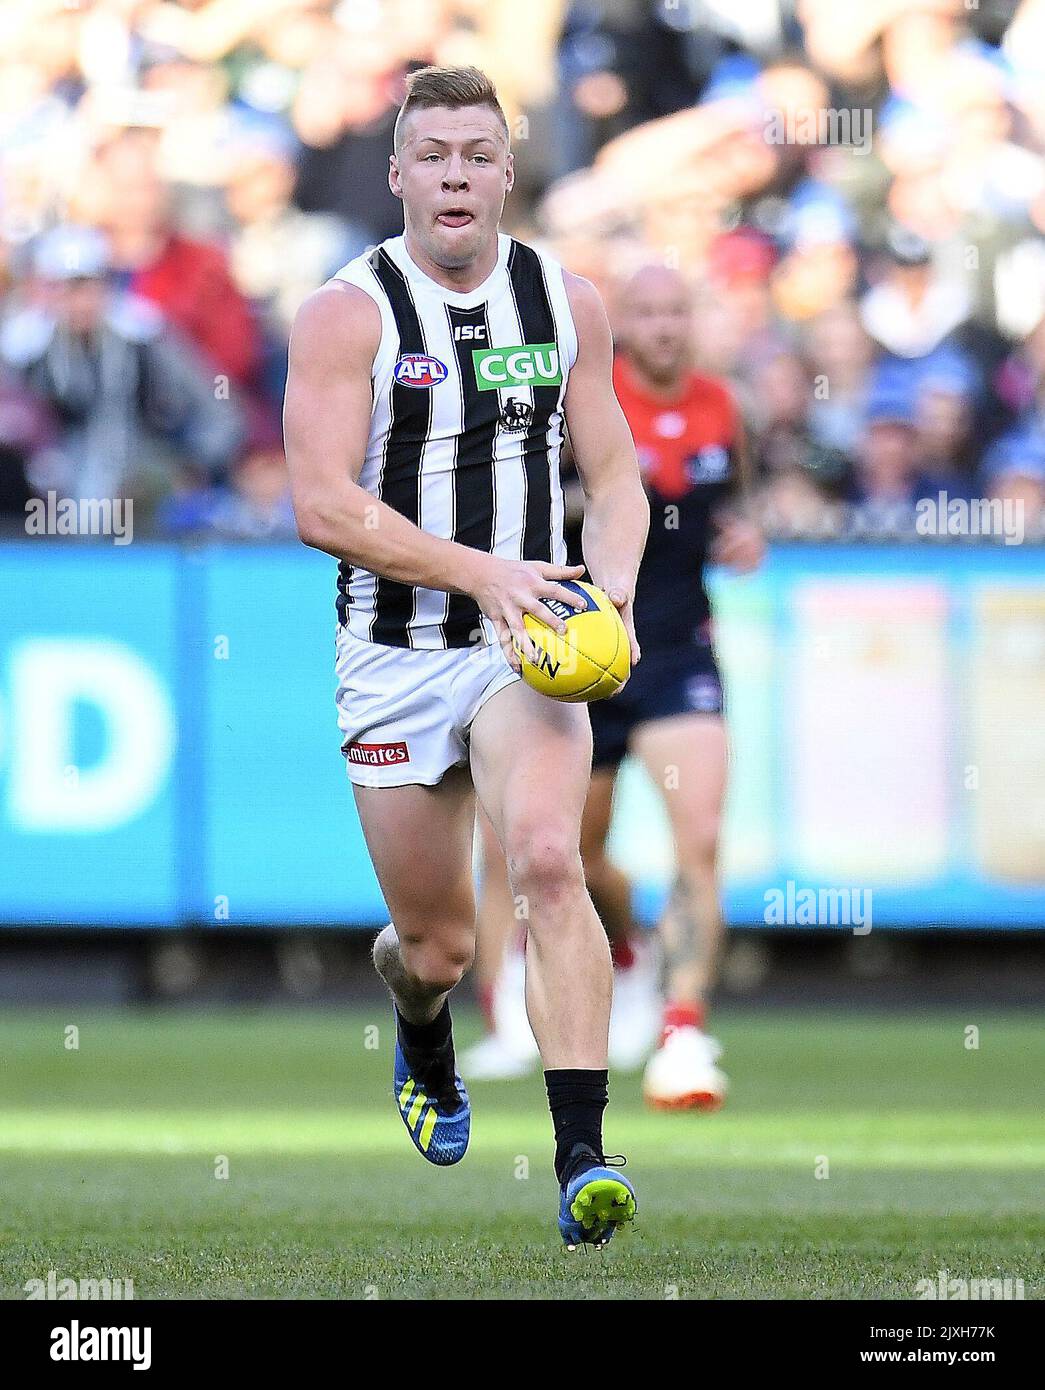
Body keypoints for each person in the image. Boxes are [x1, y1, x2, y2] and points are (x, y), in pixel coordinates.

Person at [283, 65, 649, 1250]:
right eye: (429, 152)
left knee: (550, 859)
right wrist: (484, 571)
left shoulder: (567, 301)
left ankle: (582, 1154)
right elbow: (322, 507)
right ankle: (423, 1025)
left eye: (475, 153)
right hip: (392, 649)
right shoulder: (346, 313)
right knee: (434, 944)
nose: (452, 172)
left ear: (506, 172)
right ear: (395, 174)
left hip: (519, 646)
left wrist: (612, 595)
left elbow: (617, 478)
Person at [466, 265, 765, 1112]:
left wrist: (748, 536)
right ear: (619, 323)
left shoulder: (725, 405)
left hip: (678, 654)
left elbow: (739, 506)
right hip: (582, 659)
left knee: (699, 843)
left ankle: (683, 1029)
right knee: (566, 853)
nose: (664, 326)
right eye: (647, 312)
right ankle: (605, 959)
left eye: (678, 309)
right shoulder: (581, 405)